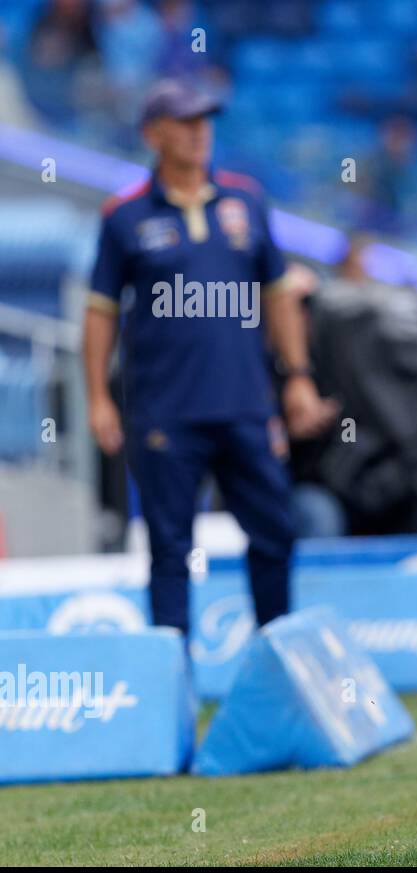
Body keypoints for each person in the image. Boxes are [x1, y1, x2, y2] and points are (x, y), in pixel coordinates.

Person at [83, 79, 336, 655]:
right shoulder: (123, 216)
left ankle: (276, 656)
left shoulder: (245, 200)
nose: (200, 132)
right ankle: (174, 676)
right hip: (163, 415)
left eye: (205, 120)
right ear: (153, 134)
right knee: (170, 548)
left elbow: (277, 295)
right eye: (184, 122)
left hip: (246, 405)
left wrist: (296, 378)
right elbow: (98, 313)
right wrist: (98, 397)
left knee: (275, 530)